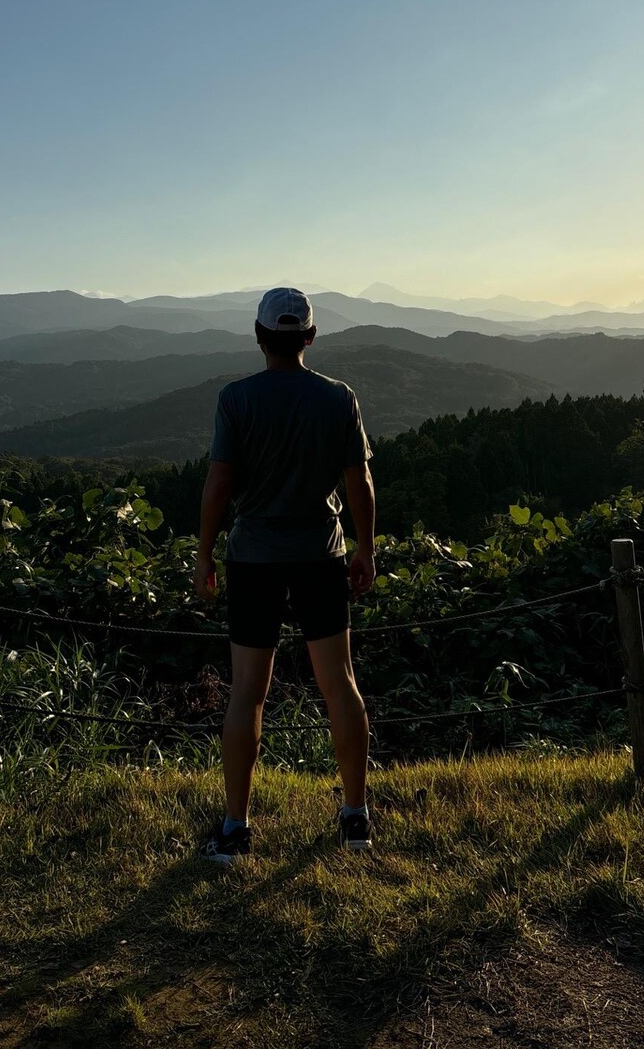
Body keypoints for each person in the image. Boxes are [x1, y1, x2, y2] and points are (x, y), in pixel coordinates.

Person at [194, 287, 376, 863]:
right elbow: (359, 483)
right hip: (321, 554)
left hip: (253, 558)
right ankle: (354, 817)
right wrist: (366, 548)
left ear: (258, 336)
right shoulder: (338, 398)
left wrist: (203, 552)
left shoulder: (236, 399)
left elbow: (219, 484)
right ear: (310, 337)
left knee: (247, 690)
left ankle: (235, 827)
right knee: (339, 683)